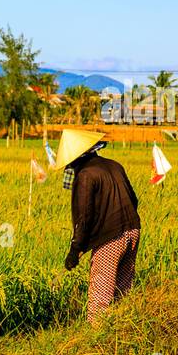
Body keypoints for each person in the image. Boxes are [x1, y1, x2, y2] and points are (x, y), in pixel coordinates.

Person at [52, 129, 141, 323]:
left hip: (111, 239)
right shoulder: (115, 166)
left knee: (101, 291)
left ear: (75, 157)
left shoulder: (85, 175)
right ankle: (123, 327)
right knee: (122, 289)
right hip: (134, 230)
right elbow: (134, 200)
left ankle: (96, 338)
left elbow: (84, 217)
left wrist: (75, 250)